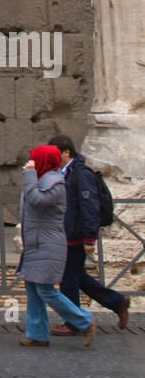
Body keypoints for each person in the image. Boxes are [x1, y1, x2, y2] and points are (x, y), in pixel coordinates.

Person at [46, 134, 130, 334]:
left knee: (69, 279)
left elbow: (89, 207)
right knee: (77, 276)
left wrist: (89, 238)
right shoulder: (66, 172)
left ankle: (74, 323)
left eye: (55, 154)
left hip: (75, 235)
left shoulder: (81, 174)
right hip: (68, 234)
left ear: (66, 152)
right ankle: (118, 302)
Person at [17, 144, 97, 347]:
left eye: (35, 159)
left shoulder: (54, 183)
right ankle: (37, 334)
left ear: (44, 161)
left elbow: (36, 200)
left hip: (48, 243)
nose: (31, 162)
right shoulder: (40, 179)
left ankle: (84, 320)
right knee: (33, 287)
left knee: (45, 289)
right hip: (36, 242)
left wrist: (29, 175)